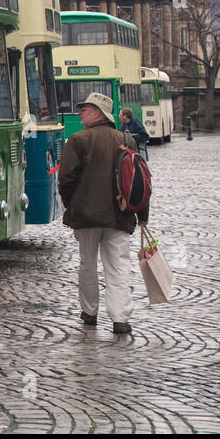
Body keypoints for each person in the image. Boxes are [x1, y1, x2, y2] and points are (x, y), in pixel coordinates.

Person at [57, 92, 149, 335]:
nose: (81, 113)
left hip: (86, 215)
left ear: (98, 113)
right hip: (120, 214)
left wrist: (71, 204)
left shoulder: (78, 139)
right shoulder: (126, 140)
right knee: (118, 265)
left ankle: (90, 312)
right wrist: (142, 216)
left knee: (87, 264)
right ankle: (120, 318)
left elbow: (65, 178)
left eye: (85, 109)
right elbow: (139, 179)